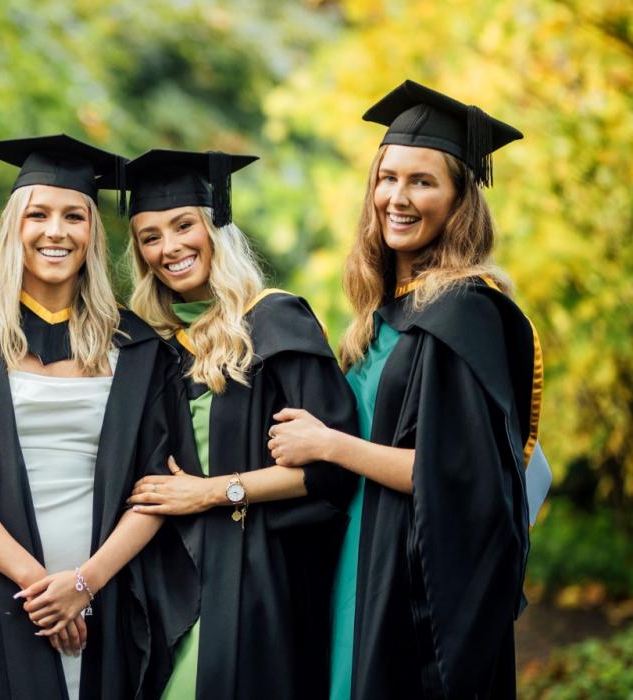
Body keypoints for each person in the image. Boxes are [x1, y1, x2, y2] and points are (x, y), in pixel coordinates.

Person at [266, 80, 543, 700]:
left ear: (459, 201)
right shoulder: (381, 315)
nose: (398, 197)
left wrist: (327, 444)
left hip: (408, 583)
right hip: (356, 563)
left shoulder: (466, 313)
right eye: (387, 178)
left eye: (423, 181)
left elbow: (459, 475)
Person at [0, 135, 199, 700]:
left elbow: (160, 486)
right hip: (3, 589)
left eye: (74, 216)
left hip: (111, 587)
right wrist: (37, 585)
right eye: (38, 215)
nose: (56, 231)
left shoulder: (138, 348)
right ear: (14, 228)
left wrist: (84, 582)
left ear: (92, 231)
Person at [122, 149, 358, 699]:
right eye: (150, 236)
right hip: (169, 573)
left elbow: (329, 470)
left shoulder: (275, 322)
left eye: (184, 226)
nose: (170, 248)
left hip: (252, 573)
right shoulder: (150, 346)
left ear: (215, 228)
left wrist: (210, 494)